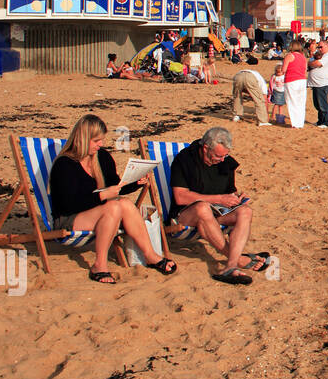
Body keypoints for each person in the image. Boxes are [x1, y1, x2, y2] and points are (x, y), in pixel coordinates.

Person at [49, 114, 175, 282]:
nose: (100, 144)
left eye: (101, 140)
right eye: (96, 141)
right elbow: (67, 204)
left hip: (99, 213)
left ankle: (151, 255)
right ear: (82, 139)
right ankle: (99, 265)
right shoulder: (64, 165)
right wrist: (103, 195)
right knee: (113, 207)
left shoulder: (102, 157)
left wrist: (135, 182)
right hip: (68, 217)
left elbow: (115, 185)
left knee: (124, 203)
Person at [168, 127, 267, 284]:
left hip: (214, 216)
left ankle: (231, 266)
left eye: (224, 155)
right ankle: (239, 260)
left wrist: (236, 198)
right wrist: (219, 199)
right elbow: (180, 197)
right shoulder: (185, 160)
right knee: (202, 208)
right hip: (185, 217)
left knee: (245, 212)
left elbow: (229, 192)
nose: (222, 160)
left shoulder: (225, 162)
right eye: (218, 156)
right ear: (206, 147)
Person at [308, 38, 328, 129]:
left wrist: (311, 63)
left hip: (322, 84)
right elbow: (312, 61)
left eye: (321, 47)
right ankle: (321, 121)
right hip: (316, 83)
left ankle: (326, 122)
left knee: (323, 104)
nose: (319, 49)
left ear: (326, 46)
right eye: (318, 47)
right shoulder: (322, 55)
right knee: (317, 104)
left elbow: (317, 63)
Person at [282, 40, 308, 128]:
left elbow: (284, 70)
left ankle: (295, 123)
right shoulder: (303, 57)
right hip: (302, 80)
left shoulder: (289, 56)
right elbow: (305, 69)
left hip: (291, 80)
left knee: (292, 101)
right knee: (301, 102)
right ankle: (300, 123)